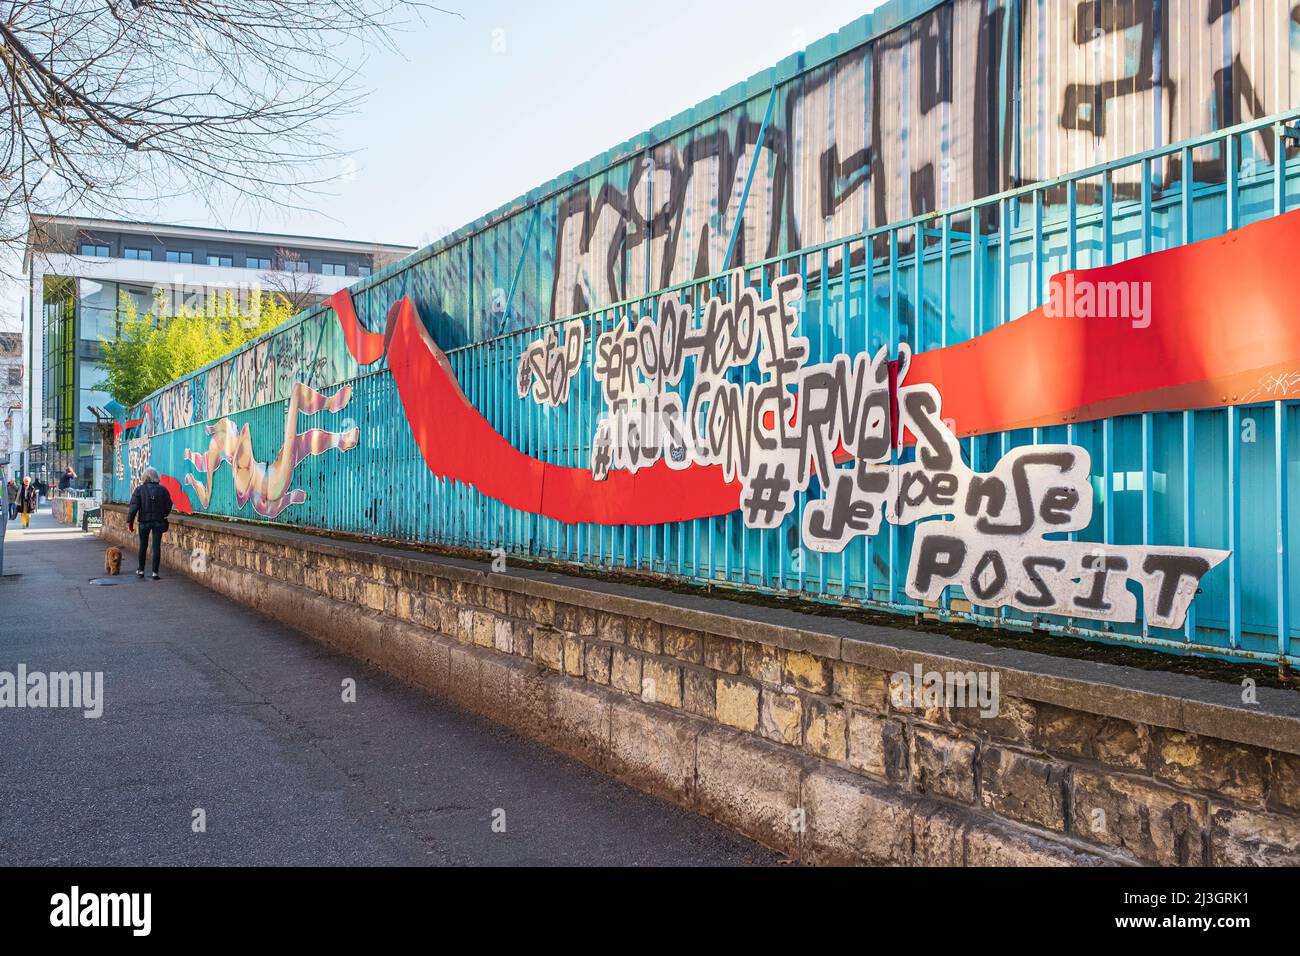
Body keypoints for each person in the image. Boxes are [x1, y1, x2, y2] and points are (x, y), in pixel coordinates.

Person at [127, 468, 173, 580]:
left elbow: (134, 507)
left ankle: (141, 570)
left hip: (144, 522)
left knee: (143, 545)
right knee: (156, 546)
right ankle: (155, 572)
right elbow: (168, 505)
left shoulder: (139, 490)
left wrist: (130, 522)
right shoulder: (163, 490)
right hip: (158, 521)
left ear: (145, 477)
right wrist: (163, 514)